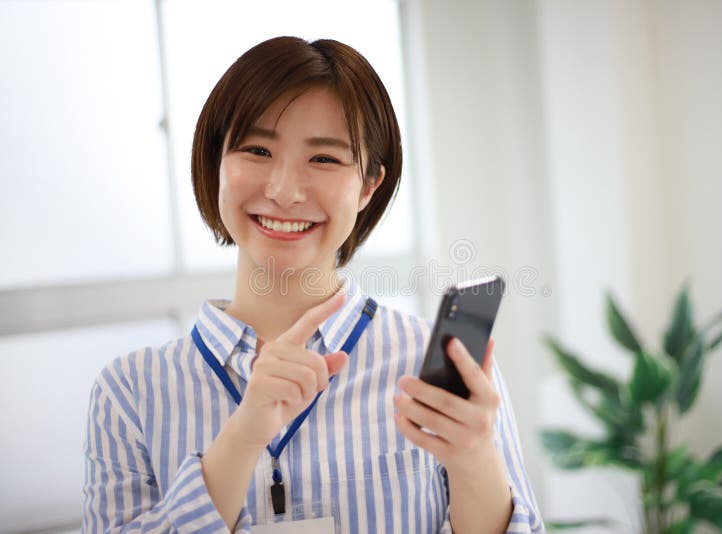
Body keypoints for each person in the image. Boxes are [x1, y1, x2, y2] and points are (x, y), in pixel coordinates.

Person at [82, 36, 544, 533]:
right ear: (217, 161)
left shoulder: (434, 374)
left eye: (323, 159)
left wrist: (474, 458)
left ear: (369, 185)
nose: (284, 190)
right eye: (257, 150)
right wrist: (242, 437)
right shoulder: (130, 391)